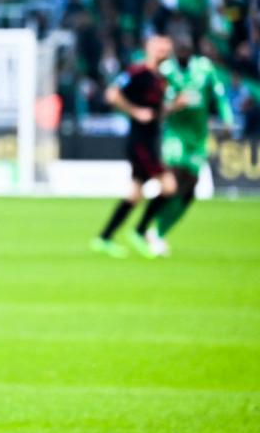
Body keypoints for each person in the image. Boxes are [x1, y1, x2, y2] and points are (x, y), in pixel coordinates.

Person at [147, 20, 234, 256]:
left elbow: (220, 97)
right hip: (175, 135)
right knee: (173, 182)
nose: (184, 49)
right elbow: (157, 108)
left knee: (190, 189)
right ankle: (148, 225)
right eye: (180, 46)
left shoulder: (205, 68)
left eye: (187, 46)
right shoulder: (166, 72)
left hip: (198, 137)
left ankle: (159, 230)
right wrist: (175, 104)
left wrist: (227, 119)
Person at [90, 35, 174, 258]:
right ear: (148, 48)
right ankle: (139, 231)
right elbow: (112, 94)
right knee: (169, 186)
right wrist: (135, 111)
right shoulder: (137, 73)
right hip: (140, 142)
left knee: (134, 194)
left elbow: (157, 112)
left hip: (151, 139)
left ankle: (104, 238)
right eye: (159, 47)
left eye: (167, 48)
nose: (163, 52)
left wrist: (174, 106)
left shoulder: (162, 79)